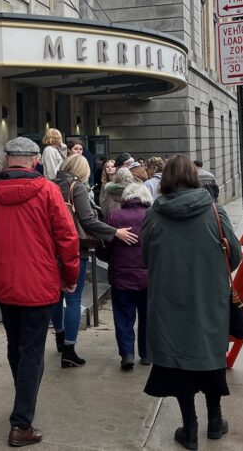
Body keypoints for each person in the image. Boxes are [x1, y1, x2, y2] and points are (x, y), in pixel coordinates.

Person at [0, 136, 80, 448]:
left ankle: (22, 404)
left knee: (16, 345)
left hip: (5, 284)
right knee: (31, 350)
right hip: (41, 284)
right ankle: (21, 422)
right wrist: (70, 276)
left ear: (7, 160)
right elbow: (67, 238)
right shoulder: (47, 190)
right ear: (34, 160)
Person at [142, 155, 241, 446]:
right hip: (209, 302)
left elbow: (146, 259)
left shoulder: (154, 215)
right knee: (210, 360)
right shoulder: (215, 212)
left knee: (178, 365)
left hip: (168, 302)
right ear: (195, 178)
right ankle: (214, 421)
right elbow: (233, 257)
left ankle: (189, 427)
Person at [51, 155, 138, 368]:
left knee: (55, 297)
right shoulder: (77, 187)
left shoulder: (49, 184)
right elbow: (88, 220)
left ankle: (60, 337)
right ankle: (69, 350)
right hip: (74, 248)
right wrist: (114, 232)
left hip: (50, 249)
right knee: (73, 299)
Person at [105, 182, 152, 370]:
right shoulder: (152, 216)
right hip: (148, 277)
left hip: (121, 275)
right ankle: (147, 354)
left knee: (123, 317)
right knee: (148, 316)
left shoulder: (114, 216)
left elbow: (105, 245)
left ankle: (127, 354)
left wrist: (111, 259)